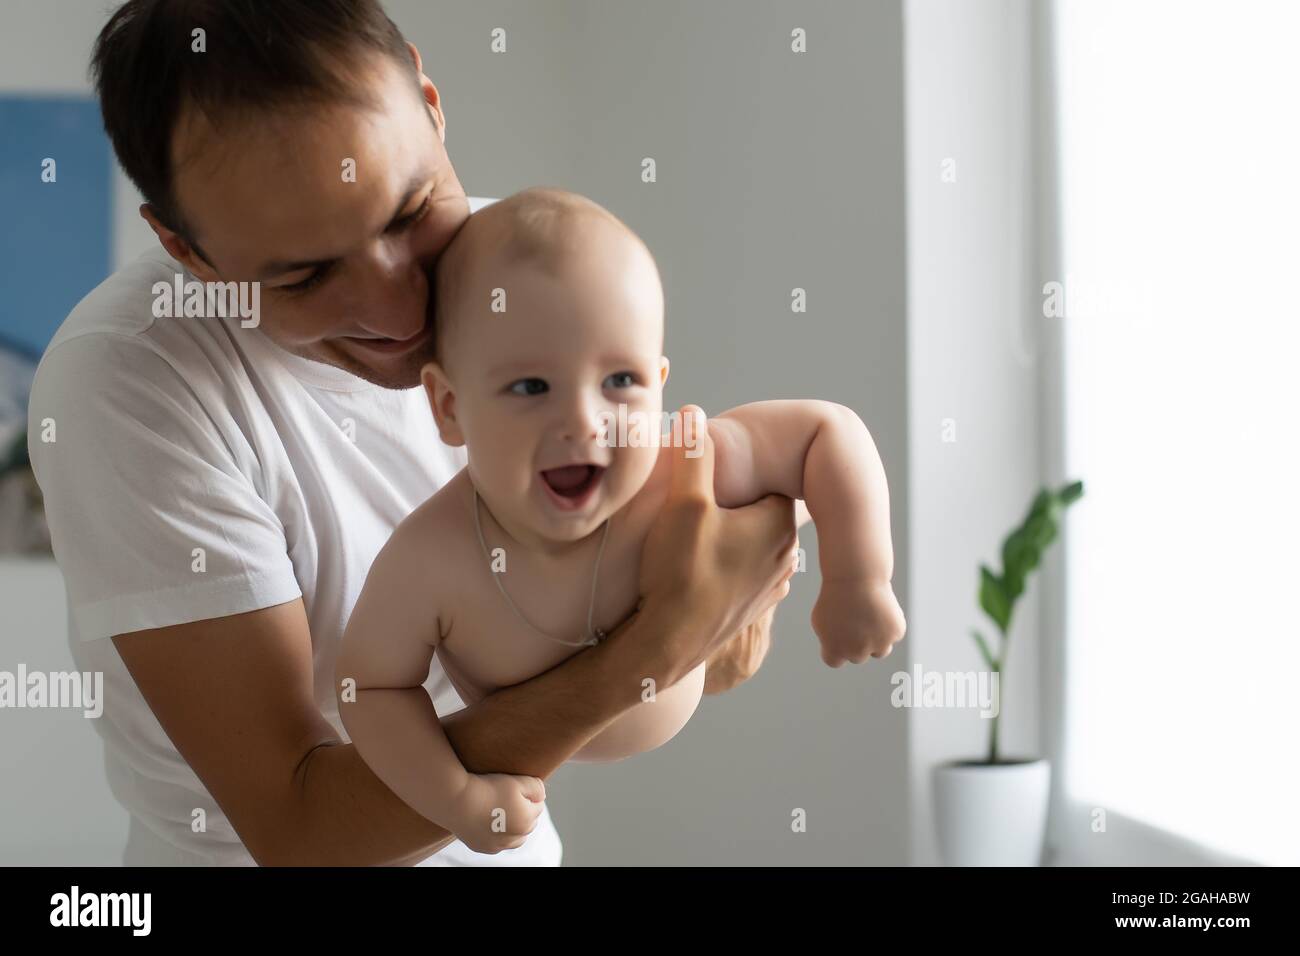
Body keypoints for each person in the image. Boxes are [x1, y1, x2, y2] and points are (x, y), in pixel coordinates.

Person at [26, 0, 798, 866]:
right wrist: (651, 651)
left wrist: (701, 614)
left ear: (430, 103)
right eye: (306, 276)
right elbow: (302, 825)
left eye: (407, 214)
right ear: (188, 252)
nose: (400, 308)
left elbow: (720, 632)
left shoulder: (527, 270)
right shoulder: (130, 381)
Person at [337, 188, 905, 853]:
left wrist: (858, 576)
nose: (583, 420)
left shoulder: (679, 461)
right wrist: (454, 796)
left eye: (621, 381)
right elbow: (370, 688)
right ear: (450, 407)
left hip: (702, 668)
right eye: (530, 388)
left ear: (661, 382)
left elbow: (826, 432)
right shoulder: (432, 557)